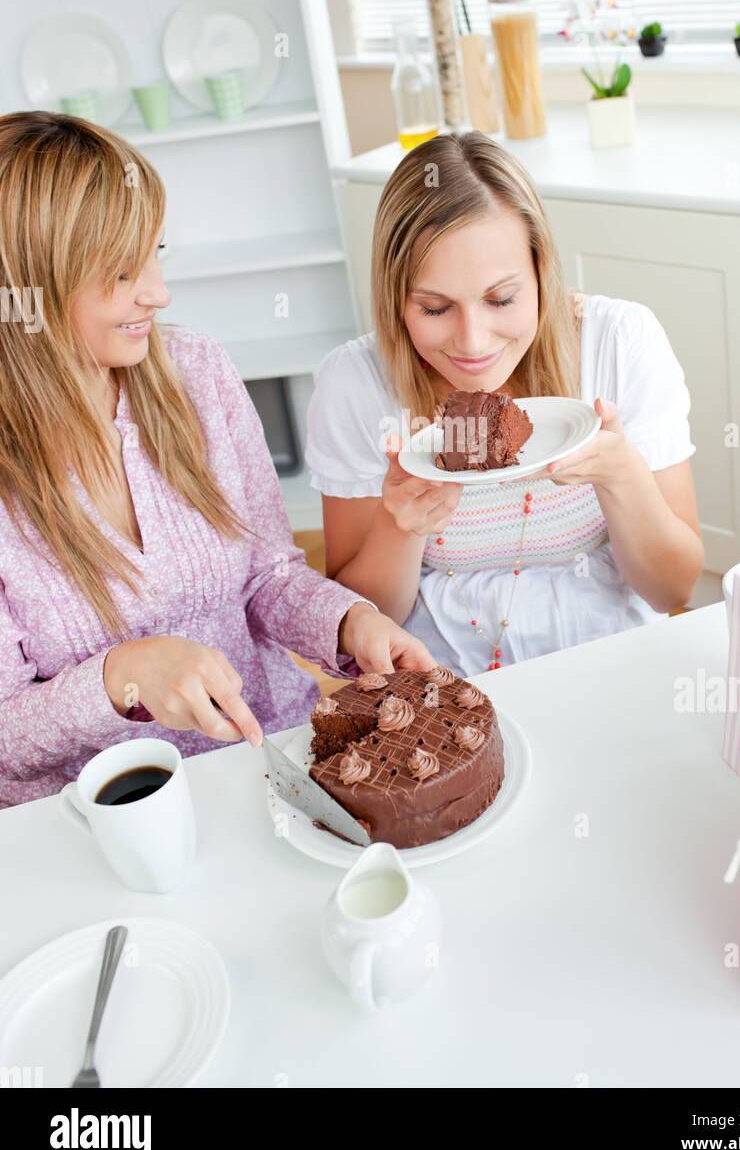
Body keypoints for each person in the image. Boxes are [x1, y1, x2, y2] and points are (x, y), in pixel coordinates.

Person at [0, 111, 433, 808]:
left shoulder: (197, 373)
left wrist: (349, 623)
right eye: (119, 271)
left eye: (155, 251)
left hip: (271, 762)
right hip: (102, 819)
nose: (157, 292)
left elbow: (267, 578)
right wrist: (121, 676)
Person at [305, 130, 704, 678]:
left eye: (502, 299)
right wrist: (401, 525)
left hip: (615, 663)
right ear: (395, 297)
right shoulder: (353, 384)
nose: (473, 342)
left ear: (543, 272)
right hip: (449, 687)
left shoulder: (618, 344)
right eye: (435, 307)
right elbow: (363, 632)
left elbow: (672, 589)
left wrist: (622, 476)